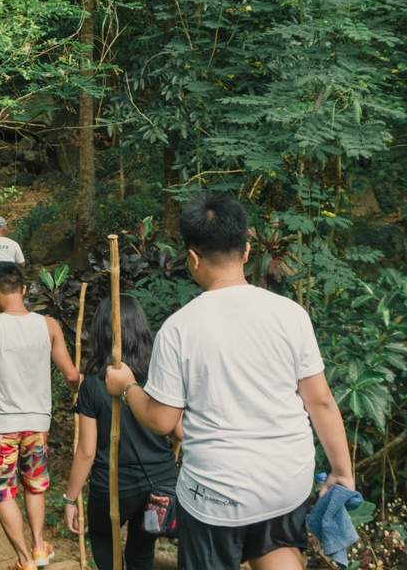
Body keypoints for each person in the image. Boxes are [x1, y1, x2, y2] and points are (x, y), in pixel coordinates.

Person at [104, 192, 354, 570]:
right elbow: (320, 401)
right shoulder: (291, 314)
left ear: (192, 257)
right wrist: (342, 470)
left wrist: (125, 386)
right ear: (248, 250)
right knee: (279, 548)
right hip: (286, 480)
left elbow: (161, 420)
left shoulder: (179, 328)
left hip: (217, 495)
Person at [0, 264, 80, 570]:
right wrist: (82, 387)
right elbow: (70, 374)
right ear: (25, 290)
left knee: (3, 491)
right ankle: (40, 547)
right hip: (38, 423)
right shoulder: (49, 325)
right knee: (35, 485)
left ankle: (24, 560)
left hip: (1, 424)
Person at [61, 296, 179, 570]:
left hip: (114, 485)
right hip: (160, 484)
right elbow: (179, 430)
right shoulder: (159, 375)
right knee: (141, 556)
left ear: (100, 333)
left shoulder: (92, 385)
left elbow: (87, 451)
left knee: (105, 545)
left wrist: (70, 498)